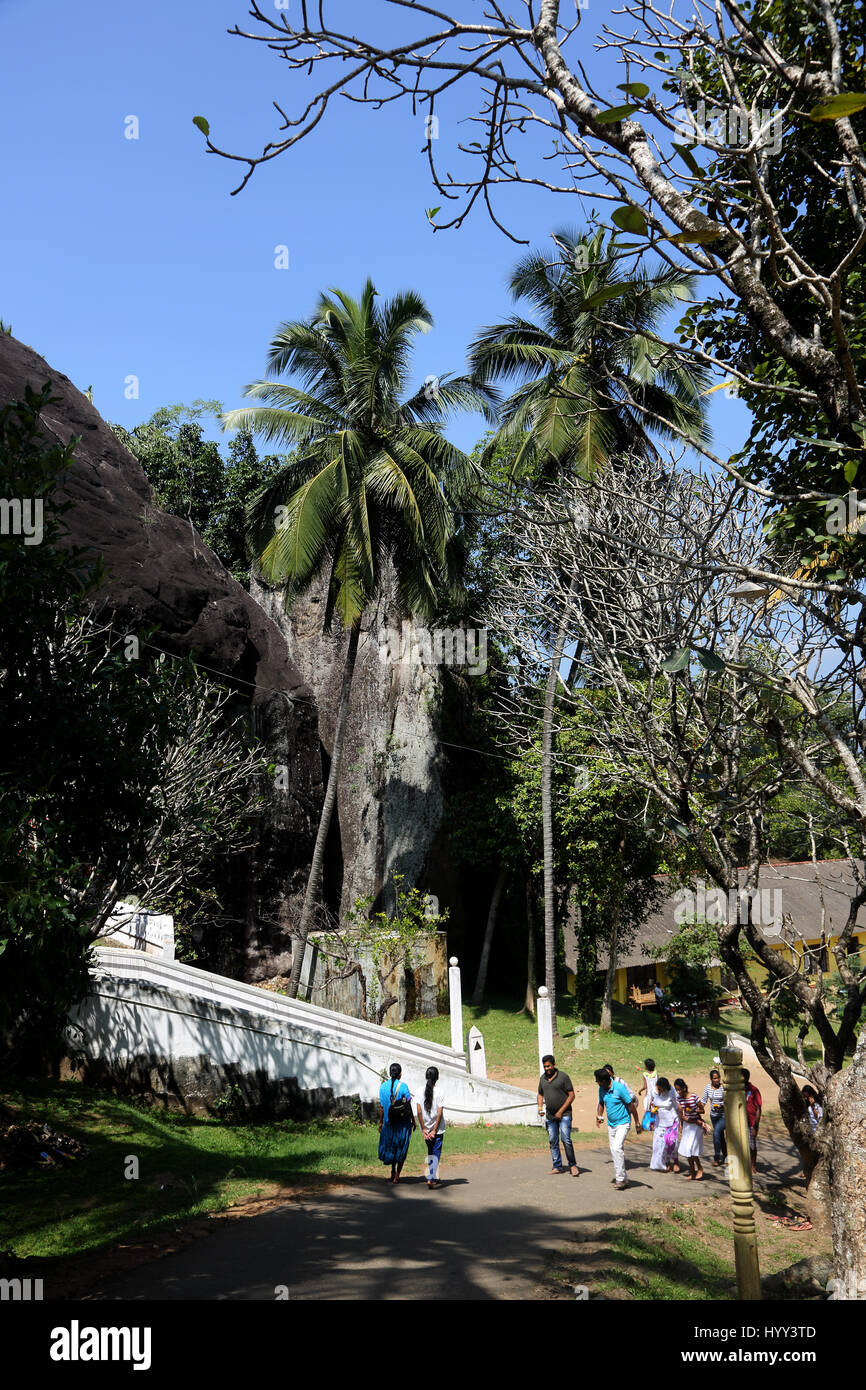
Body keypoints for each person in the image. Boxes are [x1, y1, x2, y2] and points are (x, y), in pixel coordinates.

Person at [595, 1067, 641, 1189]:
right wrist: (599, 1115)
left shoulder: (619, 1088)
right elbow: (601, 1102)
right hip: (611, 1124)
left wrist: (637, 1123)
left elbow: (631, 1105)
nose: (597, 1083)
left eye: (598, 1081)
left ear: (604, 1081)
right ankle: (623, 1178)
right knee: (614, 1151)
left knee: (616, 1148)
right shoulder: (602, 1089)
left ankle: (620, 1179)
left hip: (623, 1123)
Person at [537, 1054, 579, 1175]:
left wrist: (560, 1111)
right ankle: (557, 1166)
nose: (546, 1069)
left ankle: (573, 1165)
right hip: (550, 1116)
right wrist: (540, 1107)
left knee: (566, 1140)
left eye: (548, 1066)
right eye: (544, 1066)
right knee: (552, 1140)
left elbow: (572, 1095)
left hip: (565, 1114)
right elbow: (540, 1094)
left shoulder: (563, 1077)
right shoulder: (542, 1079)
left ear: (554, 1065)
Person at [378, 1062, 414, 1183]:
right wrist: (413, 1121)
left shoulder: (383, 1087)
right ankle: (397, 1175)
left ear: (390, 1073)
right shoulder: (403, 1086)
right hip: (402, 1125)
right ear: (400, 1074)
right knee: (401, 1148)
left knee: (392, 1147)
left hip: (389, 1124)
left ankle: (392, 1170)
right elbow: (408, 1105)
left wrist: (380, 1123)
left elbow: (382, 1107)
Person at [417, 1065, 446, 1188]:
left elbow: (418, 1112)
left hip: (426, 1128)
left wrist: (424, 1129)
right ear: (437, 1078)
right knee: (436, 1153)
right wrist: (434, 1130)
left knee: (430, 1152)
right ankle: (432, 1177)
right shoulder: (440, 1092)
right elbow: (439, 1113)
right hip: (437, 1129)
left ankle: (432, 1175)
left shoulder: (419, 1091)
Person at [647, 1076, 681, 1173]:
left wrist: (681, 1121)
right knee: (659, 1144)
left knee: (672, 1143)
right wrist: (653, 1110)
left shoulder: (672, 1092)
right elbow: (651, 1103)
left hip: (672, 1121)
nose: (660, 1091)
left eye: (662, 1089)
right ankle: (665, 1163)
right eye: (659, 1088)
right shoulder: (654, 1091)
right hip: (660, 1122)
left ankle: (676, 1162)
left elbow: (677, 1105)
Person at [674, 1077, 705, 1180]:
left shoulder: (694, 1097)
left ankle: (699, 1168)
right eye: (676, 1090)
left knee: (692, 1149)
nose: (678, 1092)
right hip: (688, 1125)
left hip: (696, 1126)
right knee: (687, 1150)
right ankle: (692, 1172)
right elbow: (681, 1115)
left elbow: (702, 1110)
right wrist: (681, 1126)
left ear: (684, 1088)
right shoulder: (678, 1100)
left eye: (679, 1089)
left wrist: (694, 1111)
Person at [701, 1068, 727, 1166]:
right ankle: (726, 1156)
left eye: (718, 1078)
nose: (717, 1080)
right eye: (715, 1078)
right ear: (711, 1079)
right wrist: (697, 1108)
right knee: (720, 1136)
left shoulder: (723, 1087)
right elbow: (703, 1101)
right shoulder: (708, 1087)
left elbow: (728, 1101)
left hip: (723, 1115)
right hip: (713, 1116)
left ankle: (717, 1158)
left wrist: (722, 1106)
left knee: (716, 1133)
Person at [743, 1068, 762, 1174]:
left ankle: (753, 1165)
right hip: (741, 1122)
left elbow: (759, 1108)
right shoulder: (737, 1089)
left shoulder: (754, 1090)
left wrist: (755, 1125)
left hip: (752, 1122)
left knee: (752, 1145)